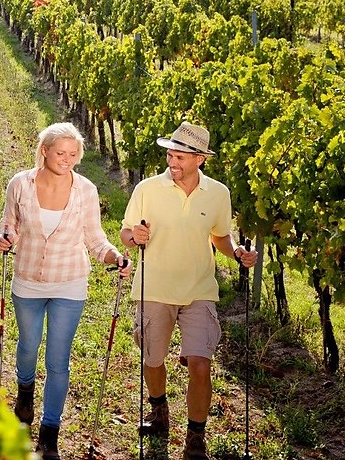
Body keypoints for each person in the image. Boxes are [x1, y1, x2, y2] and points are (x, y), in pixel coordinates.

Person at [119, 121, 259, 460]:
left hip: (199, 288)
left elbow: (220, 237)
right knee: (153, 359)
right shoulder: (147, 189)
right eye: (170, 154)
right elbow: (126, 233)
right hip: (154, 286)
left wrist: (237, 252)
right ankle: (159, 410)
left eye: (180, 156)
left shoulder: (218, 193)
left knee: (200, 364)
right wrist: (133, 237)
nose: (172, 162)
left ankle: (196, 437)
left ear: (200, 159)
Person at [0, 122, 131, 460]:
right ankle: (25, 393)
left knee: (58, 360)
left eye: (73, 154)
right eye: (60, 153)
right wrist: (5, 238)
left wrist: (113, 255)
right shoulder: (20, 184)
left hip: (70, 281)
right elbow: (8, 224)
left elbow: (95, 237)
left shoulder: (86, 190)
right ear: (45, 150)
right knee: (27, 347)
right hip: (28, 278)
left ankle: (49, 436)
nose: (67, 159)